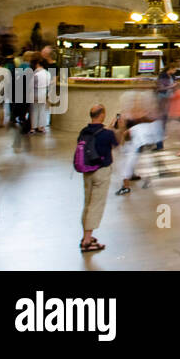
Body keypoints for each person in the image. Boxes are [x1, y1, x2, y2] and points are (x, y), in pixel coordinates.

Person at [77, 104, 121, 252]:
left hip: (87, 171)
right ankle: (87, 242)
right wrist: (117, 128)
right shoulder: (107, 134)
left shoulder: (84, 131)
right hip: (101, 172)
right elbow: (116, 143)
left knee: (88, 202)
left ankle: (85, 235)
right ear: (102, 114)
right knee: (96, 205)